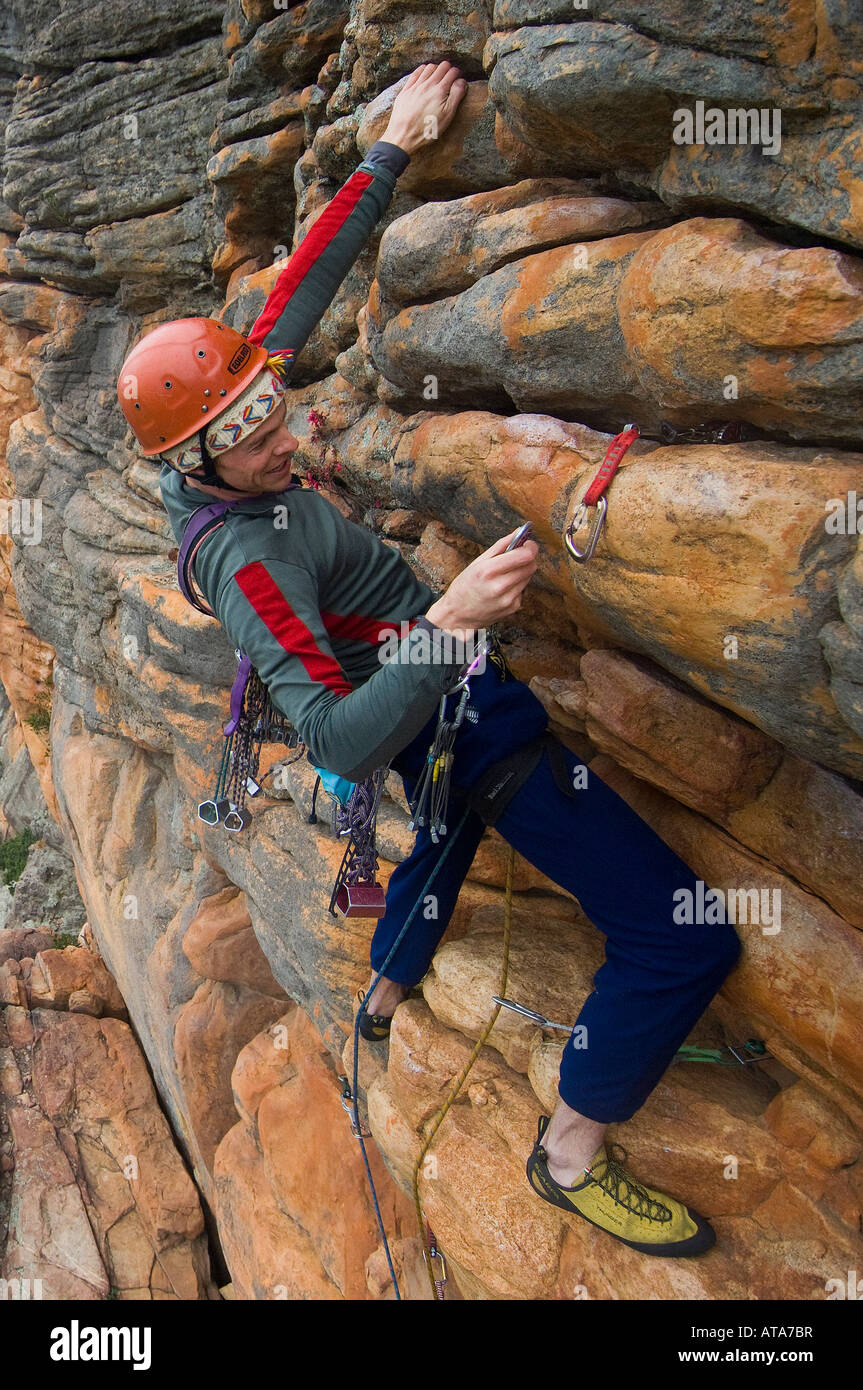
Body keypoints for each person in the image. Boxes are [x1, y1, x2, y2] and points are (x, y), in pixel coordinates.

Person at [118, 61, 741, 1259]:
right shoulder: (249, 561)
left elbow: (295, 299)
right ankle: (566, 1154)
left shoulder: (213, 418)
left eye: (263, 401)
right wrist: (449, 615)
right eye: (240, 430)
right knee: (682, 931)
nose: (272, 426)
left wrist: (390, 153)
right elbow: (338, 738)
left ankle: (387, 986)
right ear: (195, 458)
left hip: (434, 707)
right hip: (456, 711)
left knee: (440, 822)